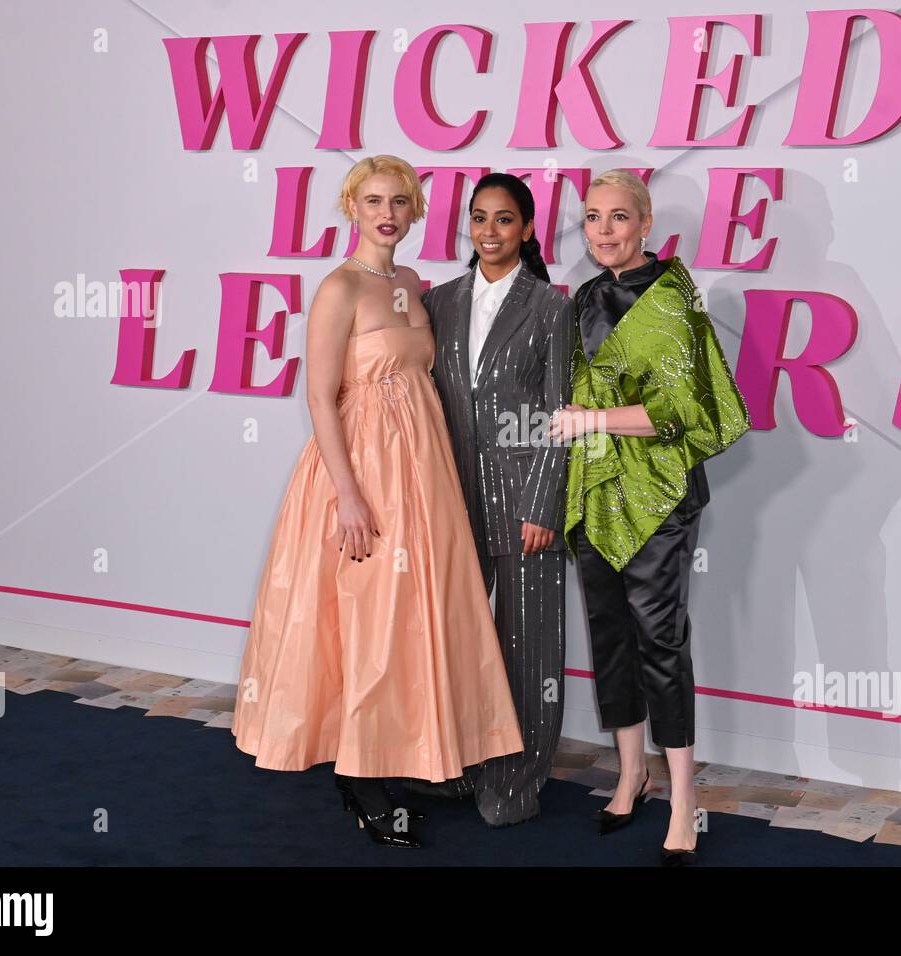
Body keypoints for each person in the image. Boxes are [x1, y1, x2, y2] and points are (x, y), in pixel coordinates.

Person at [231, 155, 524, 848]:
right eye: (373, 201)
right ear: (351, 209)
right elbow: (320, 398)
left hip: (421, 468)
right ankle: (359, 780)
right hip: (360, 471)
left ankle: (401, 755)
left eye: (399, 201)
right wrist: (348, 495)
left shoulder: (413, 283)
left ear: (415, 209)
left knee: (407, 619)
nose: (387, 212)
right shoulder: (338, 288)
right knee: (364, 619)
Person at [550, 169, 751, 865]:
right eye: (593, 219)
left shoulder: (670, 298)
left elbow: (684, 414)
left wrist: (592, 419)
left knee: (661, 644)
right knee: (608, 633)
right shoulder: (583, 297)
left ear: (645, 224)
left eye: (618, 218)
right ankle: (631, 773)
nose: (604, 231)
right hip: (595, 489)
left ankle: (685, 799)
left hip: (656, 495)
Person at [414, 173, 576, 827]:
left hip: (525, 499)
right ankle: (459, 767)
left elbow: (561, 412)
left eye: (504, 219)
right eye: (479, 218)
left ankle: (515, 782)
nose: (489, 231)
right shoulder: (438, 301)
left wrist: (543, 501)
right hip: (451, 495)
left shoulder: (551, 307)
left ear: (528, 229)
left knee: (527, 643)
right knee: (456, 637)